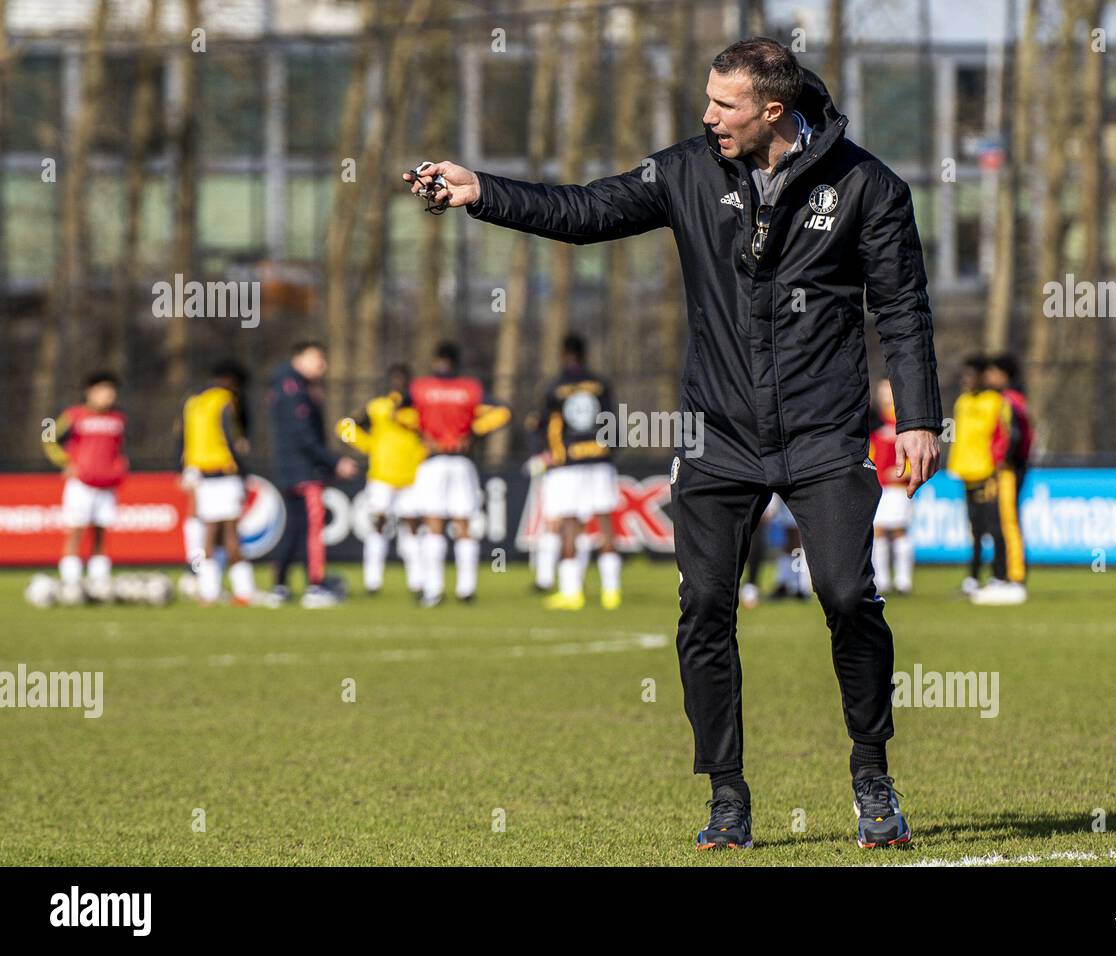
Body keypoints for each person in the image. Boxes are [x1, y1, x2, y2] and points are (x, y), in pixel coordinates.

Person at [407, 37, 942, 851]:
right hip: (717, 434)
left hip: (825, 432)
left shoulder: (868, 185)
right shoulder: (689, 170)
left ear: (773, 110)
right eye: (706, 100)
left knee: (844, 596)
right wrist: (482, 191)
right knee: (704, 608)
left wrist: (917, 417)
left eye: (724, 106)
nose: (707, 117)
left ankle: (873, 776)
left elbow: (902, 306)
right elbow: (584, 212)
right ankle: (727, 796)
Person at [408, 343, 511, 607]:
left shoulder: (421, 387)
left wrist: (423, 434)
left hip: (433, 462)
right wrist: (473, 432)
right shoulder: (470, 388)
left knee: (434, 525)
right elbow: (503, 412)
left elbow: (399, 412)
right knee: (463, 524)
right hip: (461, 461)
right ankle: (466, 589)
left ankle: (434, 590)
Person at [534, 334, 622, 611]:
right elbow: (612, 420)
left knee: (569, 524)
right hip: (600, 460)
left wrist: (550, 456)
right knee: (606, 523)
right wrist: (609, 451)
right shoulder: (600, 384)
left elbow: (546, 426)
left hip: (569, 465)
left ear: (563, 354)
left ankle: (572, 593)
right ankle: (611, 592)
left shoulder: (556, 387)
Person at [268, 341, 358, 608]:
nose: (323, 365)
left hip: (289, 469)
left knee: (294, 528)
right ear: (301, 357)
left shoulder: (284, 385)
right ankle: (315, 586)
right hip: (303, 470)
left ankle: (280, 586)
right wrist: (334, 462)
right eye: (318, 358)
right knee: (312, 528)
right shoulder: (294, 388)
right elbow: (304, 437)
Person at [337, 364, 427, 599]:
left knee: (412, 528)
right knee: (378, 526)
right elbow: (344, 426)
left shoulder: (419, 411)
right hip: (382, 476)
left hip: (411, 477)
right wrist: (368, 446)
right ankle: (372, 581)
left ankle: (417, 581)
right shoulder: (377, 407)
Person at [43, 371, 128, 602]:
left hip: (107, 485)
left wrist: (119, 466)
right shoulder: (74, 415)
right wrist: (66, 462)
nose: (108, 395)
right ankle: (70, 581)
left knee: (100, 532)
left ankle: (98, 581)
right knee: (76, 530)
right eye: (103, 390)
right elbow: (47, 434)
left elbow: (117, 449)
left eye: (111, 391)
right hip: (81, 484)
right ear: (90, 392)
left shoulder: (118, 419)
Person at [179, 359, 257, 606]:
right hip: (224, 472)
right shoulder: (224, 401)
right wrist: (244, 472)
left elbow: (180, 437)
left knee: (209, 535)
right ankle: (244, 591)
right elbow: (230, 438)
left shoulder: (193, 403)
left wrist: (181, 468)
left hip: (201, 473)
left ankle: (209, 591)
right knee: (232, 535)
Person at [971, 354, 1033, 606]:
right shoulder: (1015, 399)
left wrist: (1002, 461)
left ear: (1004, 375)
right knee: (1002, 521)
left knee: (1007, 521)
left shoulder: (1008, 400)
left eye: (993, 372)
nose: (988, 377)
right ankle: (1004, 576)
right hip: (1009, 467)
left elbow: (1014, 435)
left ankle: (1014, 578)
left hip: (1008, 468)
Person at [947, 355, 1003, 596]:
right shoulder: (962, 402)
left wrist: (997, 467)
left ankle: (1000, 576)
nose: (966, 380)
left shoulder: (994, 401)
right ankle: (973, 577)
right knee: (974, 528)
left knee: (993, 525)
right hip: (966, 472)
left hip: (987, 472)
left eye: (971, 375)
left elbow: (999, 436)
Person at [869, 379, 915, 596]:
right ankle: (882, 580)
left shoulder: (903, 419)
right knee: (877, 531)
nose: (885, 396)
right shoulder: (874, 420)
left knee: (898, 530)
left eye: (888, 391)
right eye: (881, 392)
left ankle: (904, 581)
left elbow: (912, 450)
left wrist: (904, 472)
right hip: (878, 484)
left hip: (897, 485)